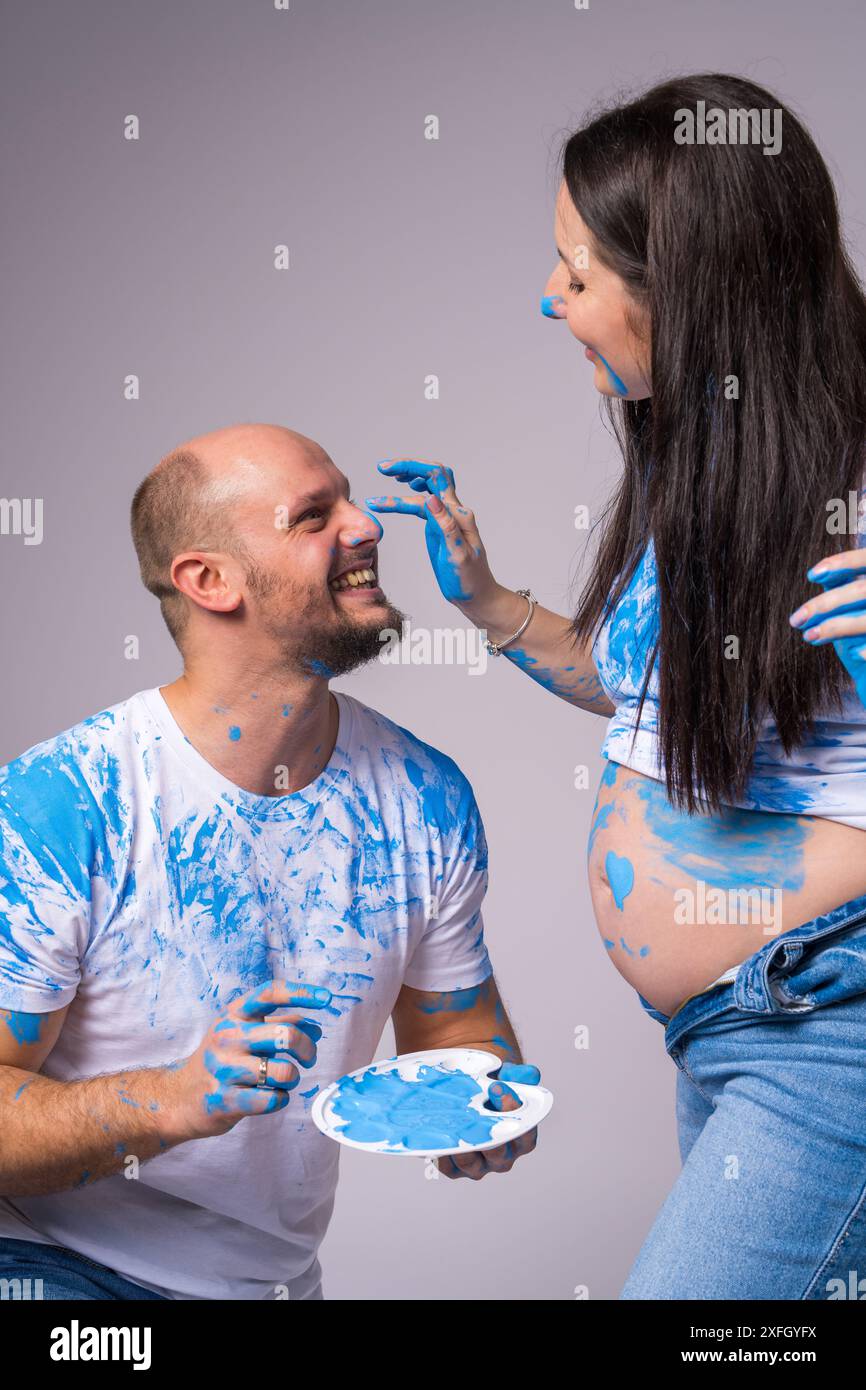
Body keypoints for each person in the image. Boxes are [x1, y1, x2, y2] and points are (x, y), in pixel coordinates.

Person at [365, 72, 866, 1299]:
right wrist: (492, 605)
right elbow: (649, 695)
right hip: (730, 1032)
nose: (551, 300)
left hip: (828, 1029)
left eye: (577, 274)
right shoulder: (717, 461)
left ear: (683, 284)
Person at [0, 423, 540, 1302]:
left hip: (272, 1284)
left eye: (352, 503)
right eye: (314, 516)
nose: (366, 526)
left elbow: (459, 1038)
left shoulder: (427, 796)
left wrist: (476, 1112)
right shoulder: (65, 798)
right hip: (45, 1267)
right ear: (209, 580)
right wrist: (170, 1101)